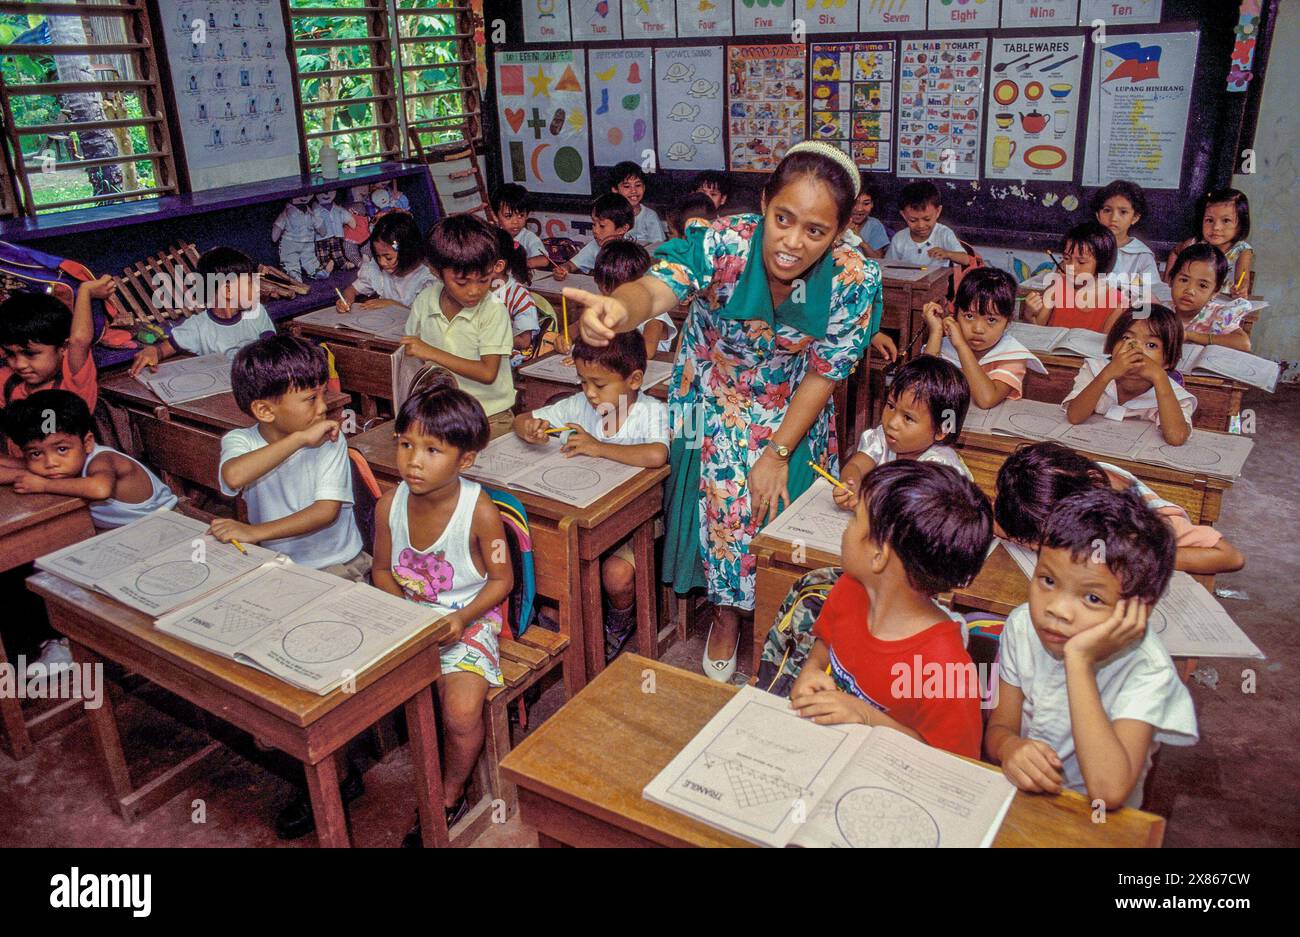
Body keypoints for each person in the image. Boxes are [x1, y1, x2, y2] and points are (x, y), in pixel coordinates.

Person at [570, 140, 895, 681]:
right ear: (764, 202)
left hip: (790, 396)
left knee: (780, 500)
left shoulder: (853, 278)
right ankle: (726, 616)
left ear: (839, 233)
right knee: (725, 501)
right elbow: (658, 287)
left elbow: (825, 373)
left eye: (815, 231)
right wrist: (619, 308)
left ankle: (781, 615)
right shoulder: (723, 244)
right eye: (783, 218)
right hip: (711, 385)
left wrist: (777, 450)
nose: (792, 242)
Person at [985, 487, 1198, 809]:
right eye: (1048, 580)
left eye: (1093, 598)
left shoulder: (1147, 670)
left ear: (1139, 611)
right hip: (1025, 802)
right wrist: (1009, 747)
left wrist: (1079, 661)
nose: (1057, 609)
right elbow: (999, 728)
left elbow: (1109, 792)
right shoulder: (1022, 626)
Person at [371, 385, 512, 842]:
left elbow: (501, 580)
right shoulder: (389, 505)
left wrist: (459, 618)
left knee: (461, 711)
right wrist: (404, 615)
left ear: (464, 460)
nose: (414, 460)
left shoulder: (480, 512)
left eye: (433, 449)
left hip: (466, 618)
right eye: (406, 444)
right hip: (407, 616)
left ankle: (449, 794)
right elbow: (380, 571)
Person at [789, 461, 992, 759]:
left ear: (878, 556)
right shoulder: (850, 588)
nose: (845, 530)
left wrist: (867, 717)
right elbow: (825, 640)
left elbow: (953, 767)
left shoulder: (945, 669)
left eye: (853, 519)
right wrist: (811, 670)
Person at [515, 332, 669, 659]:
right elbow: (522, 419)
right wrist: (529, 427)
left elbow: (656, 455)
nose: (589, 393)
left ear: (635, 380)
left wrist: (598, 448)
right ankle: (563, 616)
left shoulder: (650, 411)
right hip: (581, 512)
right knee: (549, 553)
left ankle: (618, 620)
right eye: (583, 382)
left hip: (638, 521)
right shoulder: (579, 404)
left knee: (616, 575)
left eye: (599, 385)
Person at [994, 441, 1245, 576]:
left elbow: (1229, 557)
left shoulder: (1146, 519)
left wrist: (1131, 556)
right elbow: (998, 520)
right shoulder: (1030, 504)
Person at [401, 214, 516, 438]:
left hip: (490, 418)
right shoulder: (425, 300)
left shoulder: (493, 310)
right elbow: (411, 353)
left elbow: (487, 372)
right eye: (462, 282)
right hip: (441, 416)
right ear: (436, 270)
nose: (474, 291)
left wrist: (430, 352)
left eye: (484, 280)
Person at [833, 355, 971, 514]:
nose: (892, 423)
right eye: (891, 406)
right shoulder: (883, 438)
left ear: (941, 430)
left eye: (908, 418)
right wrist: (850, 484)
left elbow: (916, 512)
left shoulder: (939, 467)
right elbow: (856, 465)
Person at [1063, 304, 1194, 446]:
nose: (1135, 350)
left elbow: (1177, 438)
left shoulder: (1172, 393)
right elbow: (1074, 417)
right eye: (1126, 338)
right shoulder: (1095, 370)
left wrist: (1159, 377)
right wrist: (1107, 374)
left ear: (1168, 360)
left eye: (1151, 345)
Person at [131, 247, 273, 375]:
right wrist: (153, 352)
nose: (257, 288)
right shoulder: (197, 327)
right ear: (228, 291)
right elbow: (162, 350)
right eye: (249, 283)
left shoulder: (257, 313)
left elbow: (273, 349)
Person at [924, 266, 1045, 409]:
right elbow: (922, 388)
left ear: (1008, 322)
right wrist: (936, 333)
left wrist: (961, 346)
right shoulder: (943, 346)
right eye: (969, 316)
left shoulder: (1012, 355)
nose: (978, 329)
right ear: (955, 313)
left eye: (991, 320)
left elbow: (986, 399)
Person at [1, 280, 107, 419]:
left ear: (63, 347)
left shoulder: (74, 385)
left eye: (30, 354)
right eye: (10, 354)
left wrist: (85, 292)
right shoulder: (8, 381)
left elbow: (79, 340)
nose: (19, 364)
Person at [1023, 222, 1125, 333]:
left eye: (1081, 262)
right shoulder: (1058, 286)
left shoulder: (1117, 303)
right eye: (1066, 258)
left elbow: (1108, 347)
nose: (1071, 267)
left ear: (1103, 263)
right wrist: (1029, 315)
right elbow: (1036, 333)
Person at [335, 211, 434, 312]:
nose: (382, 262)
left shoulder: (427, 279)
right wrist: (346, 299)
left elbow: (424, 319)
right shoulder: (378, 270)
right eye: (378, 256)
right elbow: (352, 290)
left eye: (388, 258)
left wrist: (392, 304)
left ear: (407, 251)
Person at [593, 240, 676, 359]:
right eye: (604, 290)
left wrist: (597, 357)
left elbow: (647, 352)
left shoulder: (654, 314)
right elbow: (577, 329)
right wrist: (566, 339)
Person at [1167, 242, 1252, 352]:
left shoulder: (1217, 315)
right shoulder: (1162, 311)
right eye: (1184, 280)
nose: (1190, 291)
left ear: (1215, 292)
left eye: (1202, 285)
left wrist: (1189, 336)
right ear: (1171, 280)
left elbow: (1244, 344)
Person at [1167, 188, 1253, 297]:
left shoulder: (1242, 250)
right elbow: (1175, 251)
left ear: (1241, 224)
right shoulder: (1194, 244)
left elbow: (1243, 279)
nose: (1216, 227)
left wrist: (1241, 289)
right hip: (1191, 300)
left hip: (1220, 306)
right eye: (1209, 220)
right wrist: (1168, 281)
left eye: (1226, 221)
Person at [884, 180, 973, 268]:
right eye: (913, 220)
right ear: (903, 215)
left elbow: (965, 259)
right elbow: (887, 265)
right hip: (906, 281)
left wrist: (947, 254)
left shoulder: (944, 234)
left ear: (938, 211)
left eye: (927, 219)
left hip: (937, 282)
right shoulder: (899, 238)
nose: (921, 225)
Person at [552, 193, 633, 279]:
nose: (595, 230)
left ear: (622, 229)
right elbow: (571, 265)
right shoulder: (594, 246)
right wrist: (562, 270)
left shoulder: (632, 251)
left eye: (602, 226)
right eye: (594, 224)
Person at [1092, 180, 1158, 284]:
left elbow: (1151, 291)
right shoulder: (1085, 246)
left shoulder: (1142, 256)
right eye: (1107, 210)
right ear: (1098, 215)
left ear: (1135, 217)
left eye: (1123, 212)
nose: (1114, 218)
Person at [490, 182, 553, 272]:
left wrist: (520, 264)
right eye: (508, 216)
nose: (515, 222)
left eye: (521, 215)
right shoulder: (492, 236)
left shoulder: (528, 237)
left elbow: (544, 260)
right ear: (495, 216)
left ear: (527, 215)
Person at [609, 160, 666, 244]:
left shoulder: (650, 216)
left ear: (644, 187)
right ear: (615, 190)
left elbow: (659, 247)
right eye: (627, 186)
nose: (633, 191)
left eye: (638, 185)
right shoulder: (609, 214)